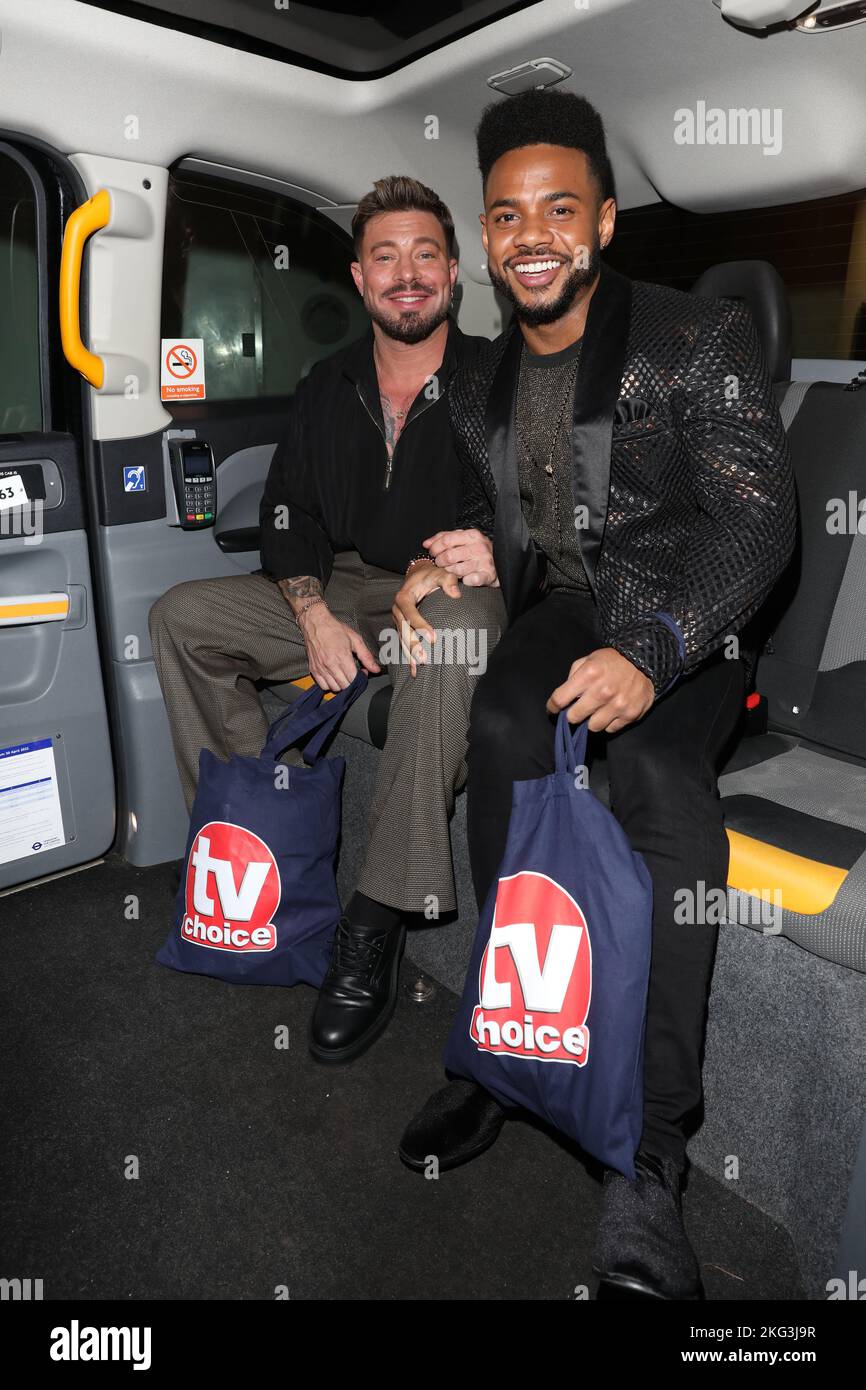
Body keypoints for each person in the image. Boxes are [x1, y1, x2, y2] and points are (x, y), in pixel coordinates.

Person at [394, 89, 797, 1300]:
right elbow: (494, 513)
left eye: (558, 208)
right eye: (508, 213)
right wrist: (447, 552)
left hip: (690, 621)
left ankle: (652, 1154)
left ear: (603, 222)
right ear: (485, 230)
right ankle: (497, 1054)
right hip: (569, 609)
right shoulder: (473, 381)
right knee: (504, 717)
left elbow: (758, 525)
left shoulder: (694, 338)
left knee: (660, 780)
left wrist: (660, 645)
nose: (531, 233)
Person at [149, 175, 506, 1065]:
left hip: (448, 590)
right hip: (343, 586)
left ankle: (375, 918)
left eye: (427, 254)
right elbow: (285, 514)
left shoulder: (497, 380)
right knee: (182, 616)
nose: (407, 273)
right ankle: (251, 851)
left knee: (450, 634)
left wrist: (463, 549)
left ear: (454, 276)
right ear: (359, 278)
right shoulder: (326, 385)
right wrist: (308, 608)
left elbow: (535, 504)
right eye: (386, 256)